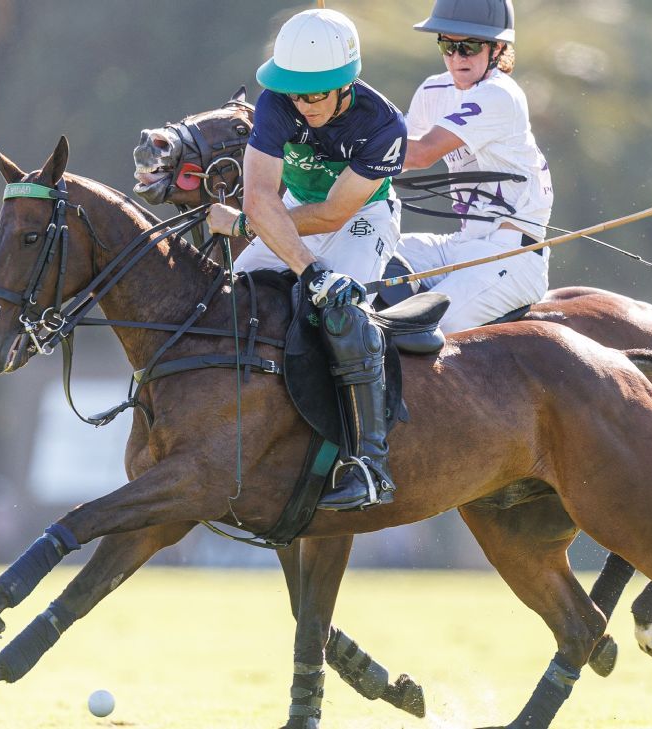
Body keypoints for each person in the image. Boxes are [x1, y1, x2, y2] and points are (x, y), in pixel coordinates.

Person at [206, 8, 409, 512]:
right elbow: (259, 197)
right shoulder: (276, 104)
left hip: (365, 215)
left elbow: (335, 214)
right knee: (227, 299)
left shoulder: (385, 125)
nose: (304, 104)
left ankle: (368, 464)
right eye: (296, 92)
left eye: (316, 93)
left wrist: (254, 229)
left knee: (343, 315)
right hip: (290, 207)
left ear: (347, 83)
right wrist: (271, 231)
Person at [398, 0, 554, 332]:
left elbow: (420, 154)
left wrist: (345, 147)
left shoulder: (499, 95)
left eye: (467, 47)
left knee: (423, 330)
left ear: (497, 49)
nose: (457, 58)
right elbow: (394, 160)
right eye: (447, 45)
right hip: (460, 245)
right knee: (369, 258)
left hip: (510, 257)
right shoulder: (433, 89)